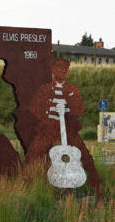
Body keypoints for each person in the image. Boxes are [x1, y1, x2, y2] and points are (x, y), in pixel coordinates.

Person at [25, 58, 102, 195]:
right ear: (52, 70)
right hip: (49, 128)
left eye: (64, 69)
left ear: (67, 71)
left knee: (85, 155)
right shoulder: (44, 90)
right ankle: (24, 184)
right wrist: (48, 116)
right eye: (58, 68)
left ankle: (97, 187)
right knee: (34, 153)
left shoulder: (73, 90)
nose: (61, 71)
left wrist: (69, 112)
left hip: (68, 129)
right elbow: (35, 109)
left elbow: (79, 110)